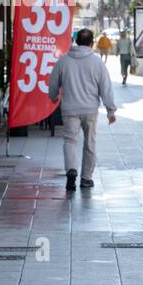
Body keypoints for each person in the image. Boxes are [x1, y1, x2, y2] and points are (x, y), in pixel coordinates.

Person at [48, 28, 117, 193]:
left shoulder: (64, 60)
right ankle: (86, 178)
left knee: (70, 141)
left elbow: (53, 81)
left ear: (76, 41)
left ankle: (71, 170)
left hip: (69, 108)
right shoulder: (97, 62)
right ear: (92, 42)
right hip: (90, 110)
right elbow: (106, 87)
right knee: (89, 143)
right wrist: (110, 110)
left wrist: (53, 96)